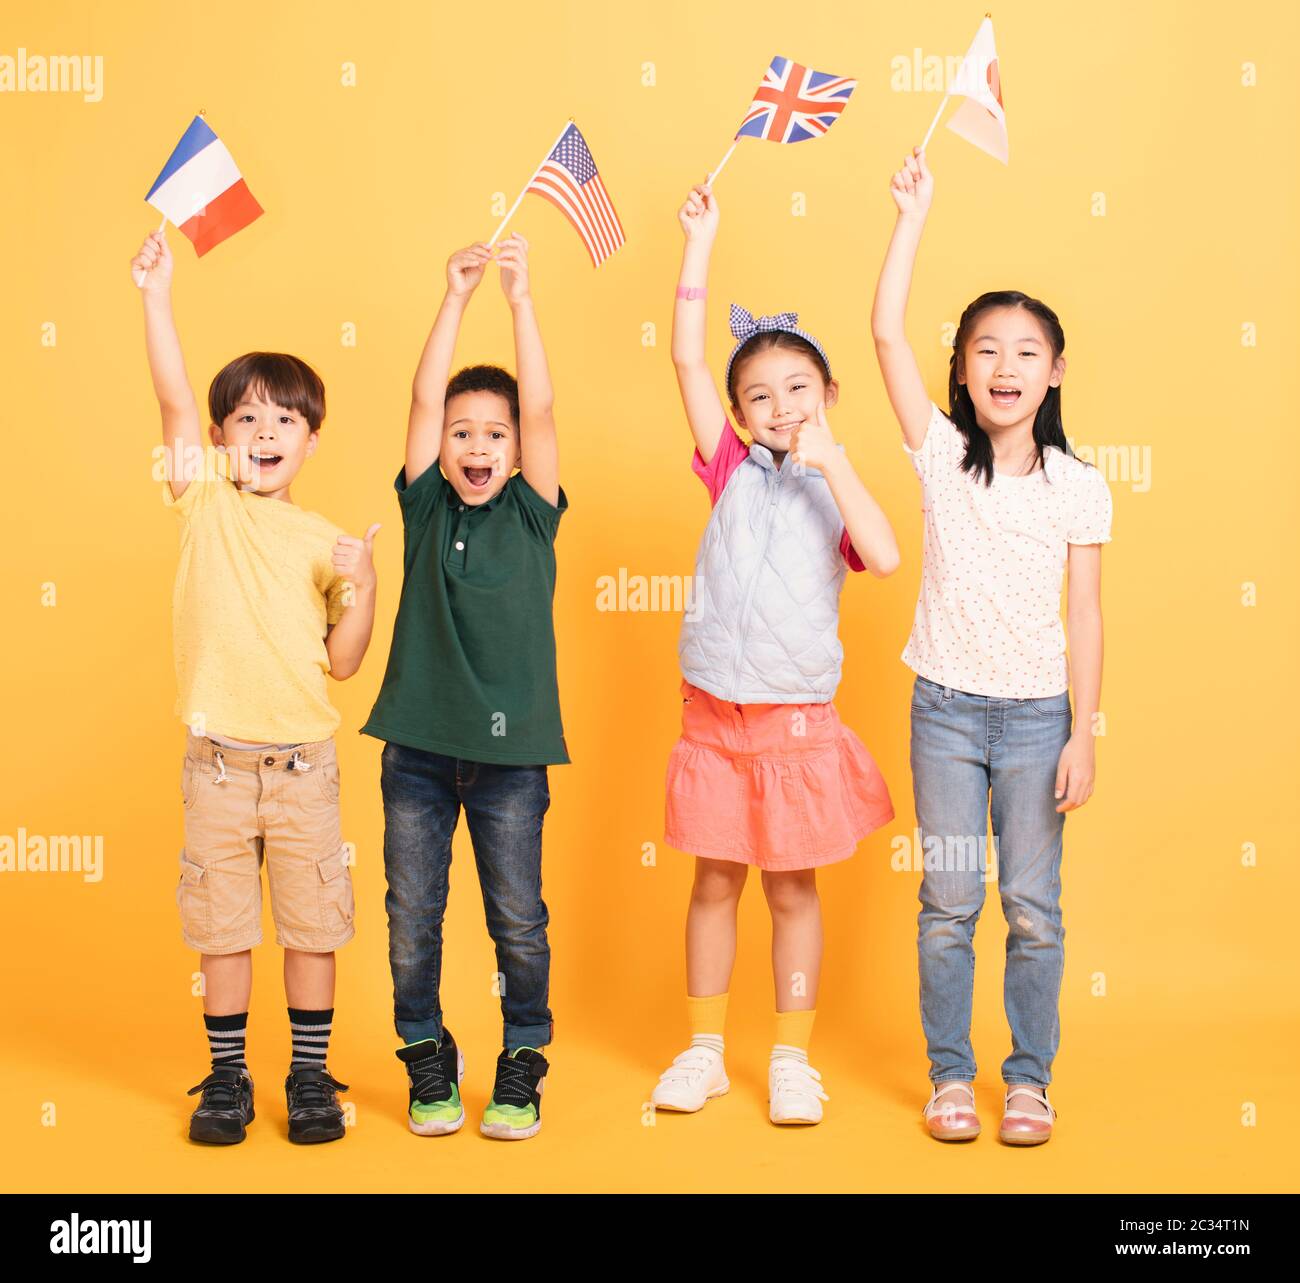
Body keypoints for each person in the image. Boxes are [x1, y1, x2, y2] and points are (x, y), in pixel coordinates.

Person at [870, 146, 1112, 1145]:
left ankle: (1028, 1077)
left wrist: (1082, 733)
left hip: (1034, 718)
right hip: (944, 709)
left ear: (1053, 371)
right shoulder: (938, 456)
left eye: (1023, 352)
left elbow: (1087, 612)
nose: (1002, 367)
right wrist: (912, 216)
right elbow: (883, 331)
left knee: (1032, 905)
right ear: (960, 369)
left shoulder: (1078, 483)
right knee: (948, 901)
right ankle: (950, 1076)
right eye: (983, 349)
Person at [652, 181, 898, 1126]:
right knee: (713, 880)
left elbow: (883, 556)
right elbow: (684, 355)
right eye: (759, 394)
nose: (780, 405)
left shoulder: (838, 491)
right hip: (716, 717)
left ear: (829, 395)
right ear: (739, 414)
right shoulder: (728, 467)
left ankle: (790, 1059)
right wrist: (700, 245)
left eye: (798, 388)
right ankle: (706, 1050)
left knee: (792, 887)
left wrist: (831, 461)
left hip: (796, 724)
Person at [131, 229, 380, 1146]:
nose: (264, 432)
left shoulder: (322, 540)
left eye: (284, 421)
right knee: (224, 927)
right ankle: (228, 1077)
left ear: (312, 440)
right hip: (219, 766)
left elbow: (345, 660)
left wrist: (368, 585)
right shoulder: (204, 501)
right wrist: (156, 300)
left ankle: (309, 1076)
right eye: (244, 418)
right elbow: (169, 399)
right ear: (219, 437)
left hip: (305, 764)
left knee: (312, 925)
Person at [361, 233, 566, 1141]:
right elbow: (418, 396)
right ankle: (423, 1052)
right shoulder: (425, 505)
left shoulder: (531, 511)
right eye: (461, 433)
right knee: (413, 918)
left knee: (517, 918)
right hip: (417, 754)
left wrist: (520, 302)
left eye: (495, 434)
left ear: (519, 450)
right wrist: (455, 298)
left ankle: (523, 1052)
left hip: (512, 763)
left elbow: (547, 409)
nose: (477, 446)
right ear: (439, 445)